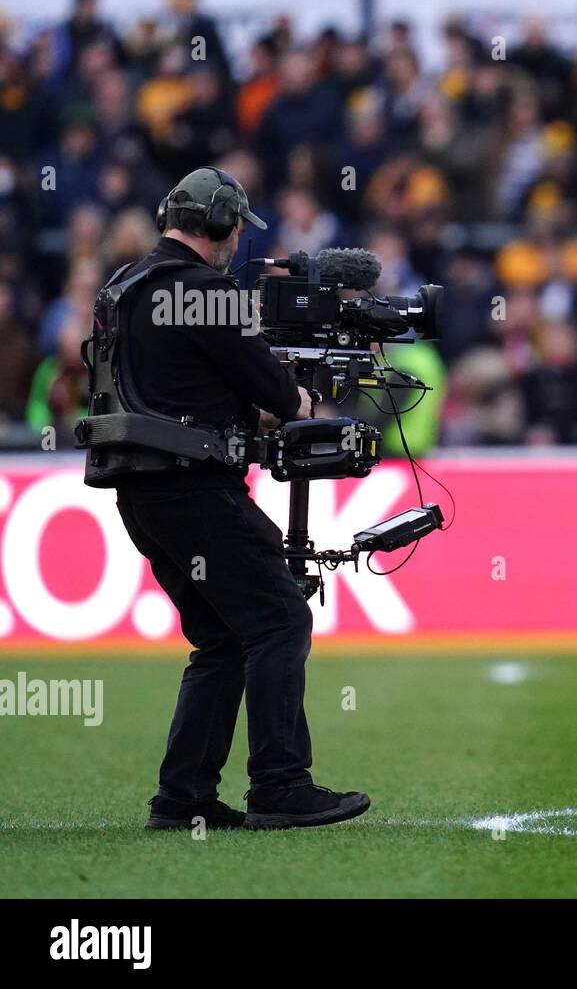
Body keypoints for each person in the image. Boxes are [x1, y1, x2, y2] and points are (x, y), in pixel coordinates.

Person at [107, 166, 371, 831]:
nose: (235, 244)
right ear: (221, 223)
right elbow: (278, 398)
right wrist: (304, 398)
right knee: (280, 616)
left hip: (138, 490)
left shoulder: (124, 288)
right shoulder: (207, 291)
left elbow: (171, 386)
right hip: (194, 487)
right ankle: (280, 785)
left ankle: (181, 800)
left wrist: (241, 413)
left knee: (223, 636)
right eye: (234, 230)